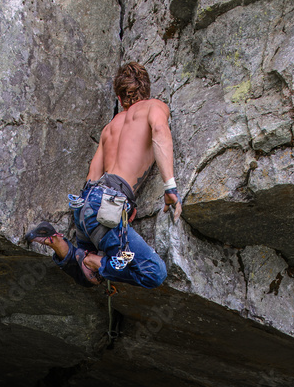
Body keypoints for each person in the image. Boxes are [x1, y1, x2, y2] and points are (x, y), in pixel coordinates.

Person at [25, 62, 181, 288]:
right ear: (146, 90)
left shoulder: (110, 127)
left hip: (86, 207)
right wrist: (170, 187)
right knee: (153, 272)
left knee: (87, 276)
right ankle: (92, 260)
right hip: (108, 207)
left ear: (119, 98)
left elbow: (92, 177)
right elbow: (159, 130)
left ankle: (58, 243)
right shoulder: (154, 106)